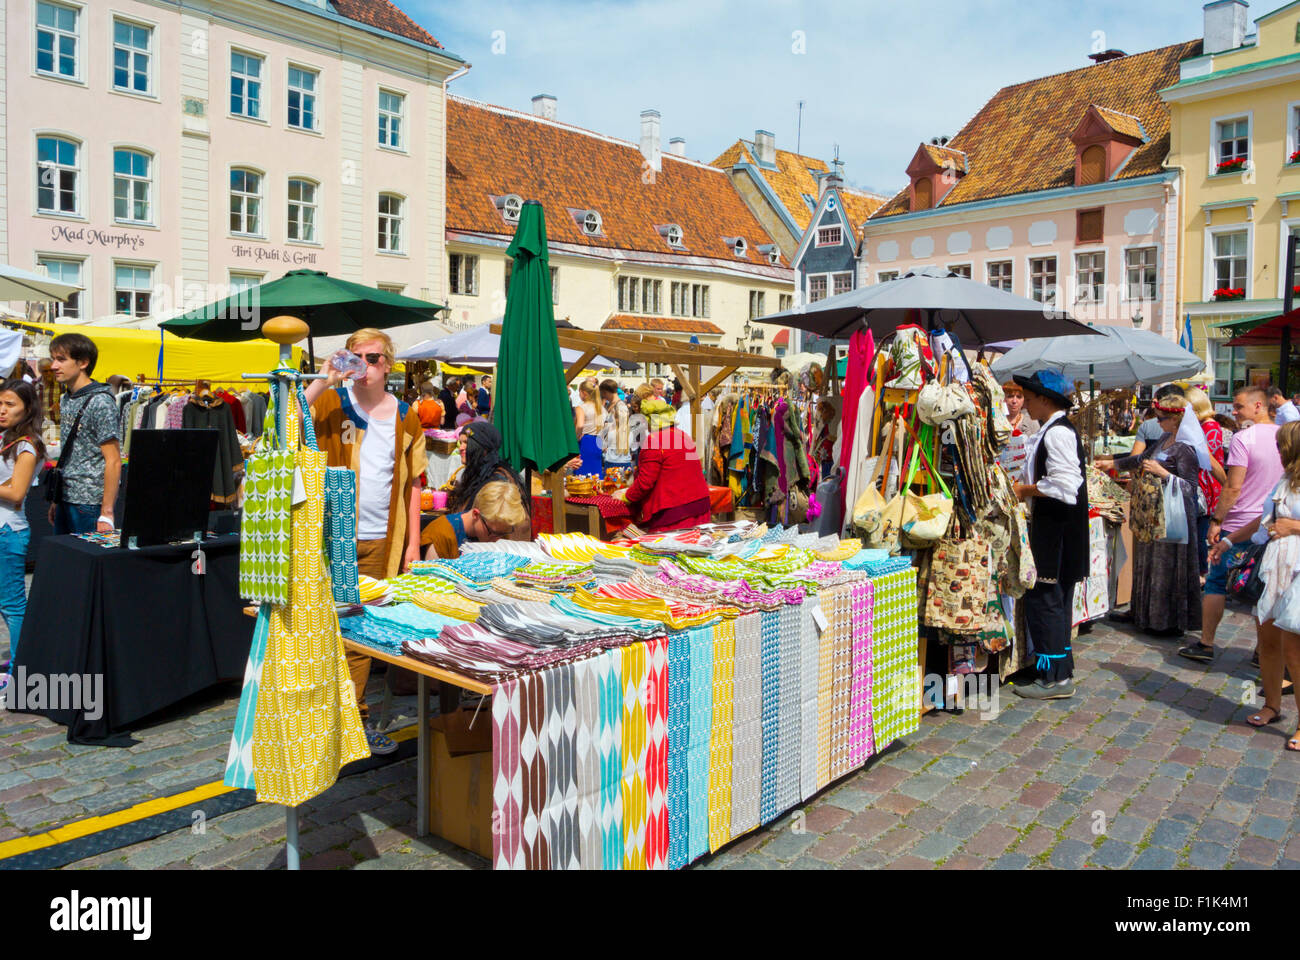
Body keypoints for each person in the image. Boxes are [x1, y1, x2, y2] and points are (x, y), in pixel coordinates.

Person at [305, 329, 427, 756]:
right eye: (355, 357)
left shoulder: (405, 415)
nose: (363, 365)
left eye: (372, 358)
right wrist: (325, 376)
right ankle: (322, 720)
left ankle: (354, 721)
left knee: (359, 632)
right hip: (330, 534)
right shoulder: (331, 402)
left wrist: (413, 545)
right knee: (320, 627)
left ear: (388, 364)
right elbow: (284, 422)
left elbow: (414, 483)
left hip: (382, 540)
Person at [1210, 421, 1300, 746]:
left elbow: (1286, 525)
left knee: (1295, 649)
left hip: (1298, 573)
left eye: (1281, 445)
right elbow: (1261, 524)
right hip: (1274, 568)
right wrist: (1229, 541)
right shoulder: (1284, 480)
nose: (1277, 451)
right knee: (1269, 642)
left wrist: (1295, 527)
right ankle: (1272, 705)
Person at [1184, 385, 1284, 663]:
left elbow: (1233, 487)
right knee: (1265, 587)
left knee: (1216, 582)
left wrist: (1217, 520)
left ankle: (1206, 643)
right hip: (1271, 523)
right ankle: (1262, 650)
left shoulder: (1244, 438)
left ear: (1258, 406)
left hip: (1240, 523)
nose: (1234, 412)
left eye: (1239, 406)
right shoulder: (1284, 436)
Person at [1011, 370, 1089, 700]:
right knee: (1052, 602)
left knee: (1047, 602)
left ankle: (1054, 679)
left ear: (1045, 399)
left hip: (1056, 532)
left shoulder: (1057, 434)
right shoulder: (1052, 430)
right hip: (1056, 530)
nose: (1025, 403)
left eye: (1028, 398)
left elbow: (1065, 486)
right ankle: (1056, 672)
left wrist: (1024, 490)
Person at [1096, 395, 1202, 637]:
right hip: (1152, 512)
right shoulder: (1165, 438)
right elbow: (1141, 460)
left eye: (1163, 418)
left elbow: (1191, 487)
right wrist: (1112, 462)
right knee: (1147, 561)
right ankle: (1142, 613)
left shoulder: (1185, 448)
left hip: (1172, 516)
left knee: (1165, 567)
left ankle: (1165, 621)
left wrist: (1164, 474)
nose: (1159, 422)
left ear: (1177, 419)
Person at [46, 333, 120, 535]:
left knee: (88, 563)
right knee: (66, 561)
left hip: (89, 503)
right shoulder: (66, 398)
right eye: (53, 359)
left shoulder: (101, 402)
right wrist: (57, 498)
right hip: (66, 497)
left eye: (61, 359)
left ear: (83, 363)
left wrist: (107, 512)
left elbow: (113, 460)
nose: (53, 366)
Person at [0, 380, 45, 683]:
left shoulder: (26, 445)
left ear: (27, 408)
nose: (2, 410)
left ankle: (22, 669)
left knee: (13, 605)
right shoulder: (7, 439)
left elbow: (16, 493)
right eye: (0, 403)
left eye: (10, 404)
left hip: (8, 531)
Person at [618, 397, 710, 532]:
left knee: (671, 550)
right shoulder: (683, 435)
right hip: (700, 504)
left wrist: (625, 497)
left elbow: (645, 482)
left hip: (674, 511)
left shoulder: (653, 441)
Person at [1185, 386, 1228, 576]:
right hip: (1205, 485)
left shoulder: (1209, 427)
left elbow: (1206, 458)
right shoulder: (1206, 426)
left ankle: (1201, 572)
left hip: (1206, 487)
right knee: (1198, 532)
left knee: (1199, 533)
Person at [423, 481, 527, 560]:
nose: (497, 540)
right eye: (492, 533)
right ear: (475, 514)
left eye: (503, 533)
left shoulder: (498, 528)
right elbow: (430, 581)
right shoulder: (441, 535)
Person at [1127, 384, 1184, 459]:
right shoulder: (1166, 436)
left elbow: (1135, 458)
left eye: (1160, 419)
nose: (1157, 422)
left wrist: (1158, 469)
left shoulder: (1185, 444)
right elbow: (1142, 457)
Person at [997, 380, 1039, 476]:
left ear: (1024, 400)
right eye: (1010, 396)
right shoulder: (997, 422)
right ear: (1004, 398)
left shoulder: (1031, 422)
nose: (1014, 401)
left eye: (1019, 397)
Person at [598, 378, 632, 471]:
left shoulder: (620, 406)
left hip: (617, 455)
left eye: (603, 394)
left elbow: (623, 429)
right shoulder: (611, 404)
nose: (603, 397)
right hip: (610, 452)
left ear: (606, 392)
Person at [574, 377, 602, 476]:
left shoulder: (581, 407)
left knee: (582, 474)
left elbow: (580, 425)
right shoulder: (600, 407)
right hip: (598, 441)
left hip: (585, 442)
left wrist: (576, 438)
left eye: (579, 392)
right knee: (596, 473)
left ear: (584, 393)